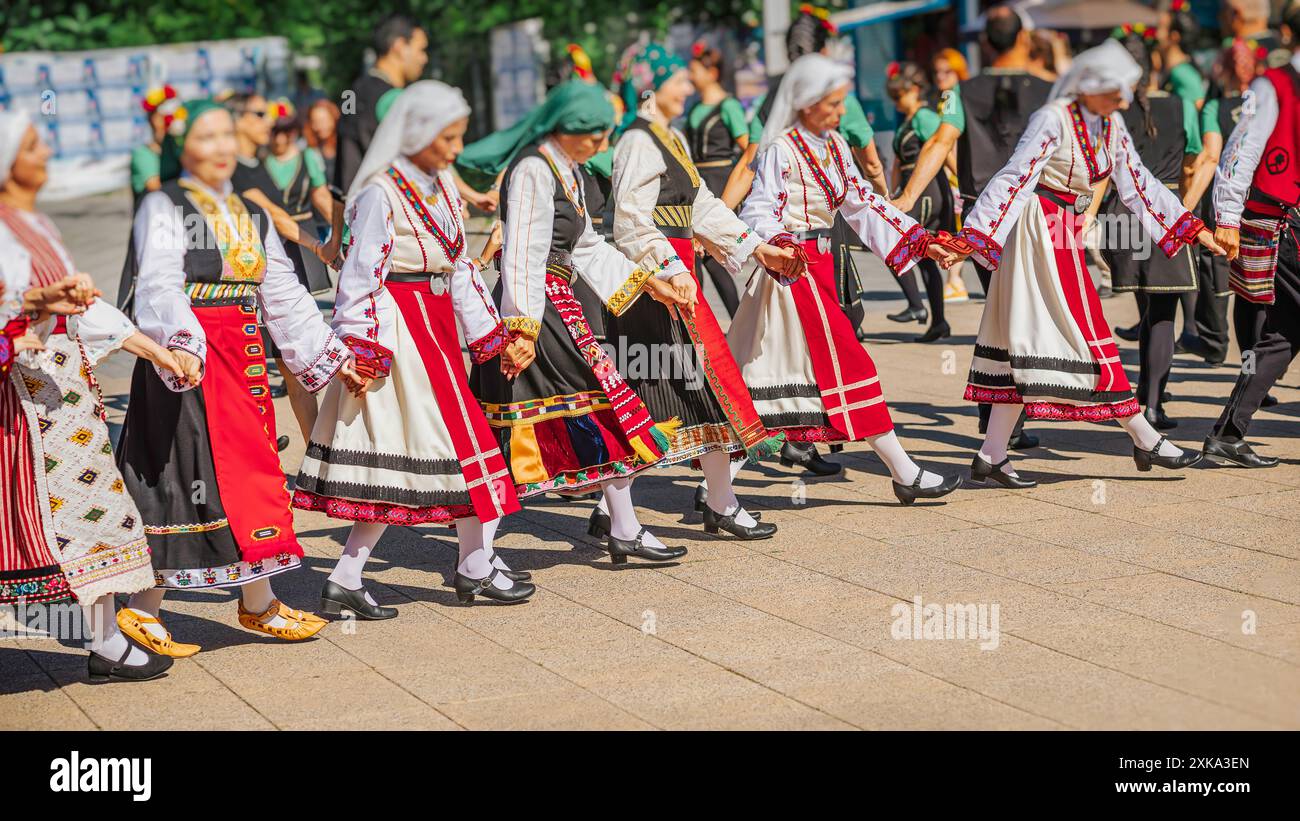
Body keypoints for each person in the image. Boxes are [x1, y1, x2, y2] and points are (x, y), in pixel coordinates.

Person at [116, 99, 359, 650]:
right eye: (207, 137)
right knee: (182, 475)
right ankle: (143, 608)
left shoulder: (247, 213)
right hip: (189, 359)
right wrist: (179, 345)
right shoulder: (164, 206)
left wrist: (329, 353)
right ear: (184, 148)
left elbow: (280, 289)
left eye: (228, 135)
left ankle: (259, 602)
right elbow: (158, 284)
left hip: (242, 357)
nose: (223, 147)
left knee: (253, 471)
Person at [293, 81, 533, 612]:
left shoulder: (439, 183)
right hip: (402, 331)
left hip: (437, 322)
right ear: (417, 133)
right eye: (446, 137)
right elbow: (358, 278)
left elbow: (458, 264)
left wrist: (493, 335)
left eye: (458, 137)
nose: (454, 149)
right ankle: (466, 566)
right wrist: (361, 350)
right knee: (439, 452)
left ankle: (356, 576)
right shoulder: (380, 191)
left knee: (433, 455)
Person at [946, 40, 1224, 487]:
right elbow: (1016, 176)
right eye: (1117, 91)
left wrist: (1192, 228)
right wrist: (974, 237)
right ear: (1091, 86)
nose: (1125, 101)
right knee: (1085, 329)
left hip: (1065, 229)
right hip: (1040, 230)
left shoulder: (1109, 123)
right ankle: (1145, 438)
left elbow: (1137, 183)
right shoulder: (1053, 117)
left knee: (1024, 340)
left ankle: (992, 453)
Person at [461, 80, 692, 564]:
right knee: (510, 431)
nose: (601, 143)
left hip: (557, 304)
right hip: (535, 310)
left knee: (605, 411)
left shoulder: (568, 169)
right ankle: (474, 557)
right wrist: (520, 327)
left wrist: (651, 282)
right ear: (566, 129)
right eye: (593, 134)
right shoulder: (532, 168)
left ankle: (624, 528)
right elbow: (520, 250)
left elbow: (585, 245)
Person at [0, 111, 185, 682]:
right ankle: (107, 643)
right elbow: (17, 308)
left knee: (96, 521)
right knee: (61, 523)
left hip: (64, 401)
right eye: (34, 146)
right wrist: (32, 307)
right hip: (23, 403)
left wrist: (154, 351)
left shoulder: (33, 224)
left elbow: (80, 309)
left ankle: (107, 643)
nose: (46, 153)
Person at [731, 55, 962, 504]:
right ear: (807, 102)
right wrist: (781, 246)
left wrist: (920, 241)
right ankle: (905, 472)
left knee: (769, 385)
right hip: (791, 273)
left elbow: (864, 205)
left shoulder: (834, 144)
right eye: (833, 104)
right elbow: (757, 209)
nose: (840, 112)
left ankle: (714, 489)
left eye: (841, 104)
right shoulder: (780, 146)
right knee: (847, 367)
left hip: (819, 268)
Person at [609, 43, 802, 539]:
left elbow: (702, 205)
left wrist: (758, 248)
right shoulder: (637, 142)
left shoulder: (667, 137)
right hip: (655, 284)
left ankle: (716, 501)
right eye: (679, 81)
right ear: (652, 88)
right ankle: (622, 509)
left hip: (676, 276)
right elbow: (630, 222)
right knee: (656, 394)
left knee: (698, 389)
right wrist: (670, 269)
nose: (689, 88)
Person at [894, 3, 1052, 452]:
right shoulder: (1050, 91)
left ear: (983, 43)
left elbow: (941, 140)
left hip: (983, 217)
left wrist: (906, 197)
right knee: (1019, 315)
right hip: (1035, 215)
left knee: (1000, 311)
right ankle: (1006, 421)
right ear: (1023, 38)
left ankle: (997, 416)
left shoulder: (960, 94)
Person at [722, 6, 887, 346]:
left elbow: (747, 166)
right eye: (833, 105)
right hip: (804, 243)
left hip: (802, 241)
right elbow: (870, 164)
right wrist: (889, 195)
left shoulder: (777, 103)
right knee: (822, 330)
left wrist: (720, 220)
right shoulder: (830, 98)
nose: (839, 110)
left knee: (818, 335)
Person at [1202, 1, 1300, 468]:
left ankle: (1228, 430)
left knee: (1281, 335)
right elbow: (1241, 152)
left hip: (1286, 223)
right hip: (1284, 222)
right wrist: (1226, 216)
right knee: (1280, 331)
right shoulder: (1274, 84)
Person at [1101, 30, 1204, 432]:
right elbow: (1194, 155)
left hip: (1121, 215)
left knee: (1147, 309)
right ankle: (1153, 405)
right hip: (1167, 210)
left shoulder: (1111, 112)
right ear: (1155, 65)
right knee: (1163, 314)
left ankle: (1141, 396)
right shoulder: (1181, 105)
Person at [226, 92, 341, 448]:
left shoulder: (261, 161)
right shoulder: (232, 166)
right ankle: (269, 445)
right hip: (247, 270)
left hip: (279, 258)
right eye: (261, 115)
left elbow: (303, 203)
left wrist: (331, 232)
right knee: (256, 361)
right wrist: (320, 246)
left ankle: (316, 449)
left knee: (291, 359)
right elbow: (272, 215)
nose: (272, 125)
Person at [887, 62, 952, 342]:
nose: (896, 103)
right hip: (911, 187)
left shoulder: (924, 117)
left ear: (913, 91)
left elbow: (943, 148)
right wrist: (890, 193)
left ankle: (916, 306)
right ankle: (938, 322)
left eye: (899, 96)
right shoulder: (907, 122)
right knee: (925, 257)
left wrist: (961, 180)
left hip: (927, 189)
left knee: (893, 240)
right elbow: (898, 163)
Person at [684, 43, 750, 318]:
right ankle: (705, 324)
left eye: (695, 70)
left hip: (721, 181)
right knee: (696, 257)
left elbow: (749, 149)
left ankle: (736, 320)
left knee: (711, 255)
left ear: (712, 72)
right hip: (696, 181)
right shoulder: (696, 106)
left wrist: (732, 196)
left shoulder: (729, 105)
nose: (690, 76)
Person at [333, 14, 428, 192]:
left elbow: (346, 145)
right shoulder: (395, 98)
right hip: (385, 204)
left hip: (350, 201)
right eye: (421, 50)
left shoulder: (351, 91)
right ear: (399, 46)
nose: (424, 58)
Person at [931, 48, 971, 303]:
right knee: (955, 229)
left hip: (956, 173)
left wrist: (958, 172)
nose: (940, 76)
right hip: (955, 172)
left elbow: (945, 144)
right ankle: (954, 281)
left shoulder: (952, 98)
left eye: (947, 71)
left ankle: (955, 281)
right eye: (937, 72)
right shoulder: (952, 97)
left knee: (957, 230)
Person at [305, 98, 341, 193]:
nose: (320, 126)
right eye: (315, 122)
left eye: (323, 120)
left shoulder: (345, 146)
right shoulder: (311, 152)